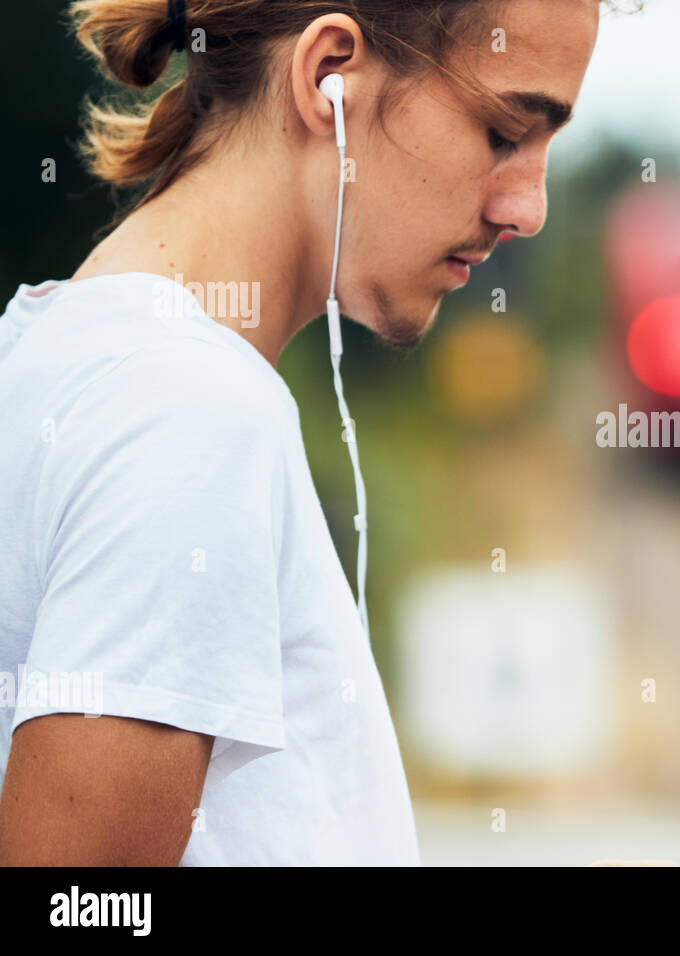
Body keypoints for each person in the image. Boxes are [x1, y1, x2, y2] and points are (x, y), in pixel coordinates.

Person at [0, 0, 603, 865]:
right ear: (329, 76)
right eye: (505, 130)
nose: (528, 208)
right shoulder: (188, 413)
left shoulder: (55, 352)